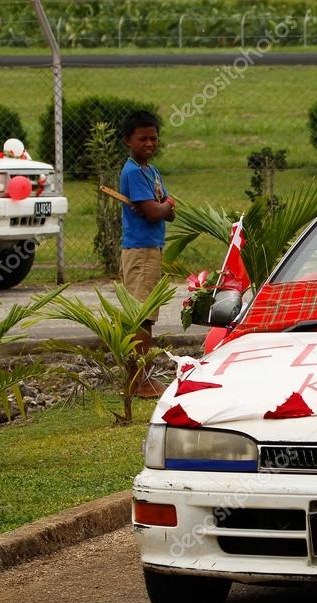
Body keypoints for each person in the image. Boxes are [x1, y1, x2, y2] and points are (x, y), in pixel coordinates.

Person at [119, 110, 176, 398]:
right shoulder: (132, 172)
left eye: (153, 138)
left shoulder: (150, 171)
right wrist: (164, 207)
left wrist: (164, 207)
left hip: (151, 248)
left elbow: (168, 211)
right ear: (128, 140)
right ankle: (139, 381)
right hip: (140, 250)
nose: (149, 144)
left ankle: (143, 377)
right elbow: (157, 211)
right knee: (140, 316)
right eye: (143, 139)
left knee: (147, 316)